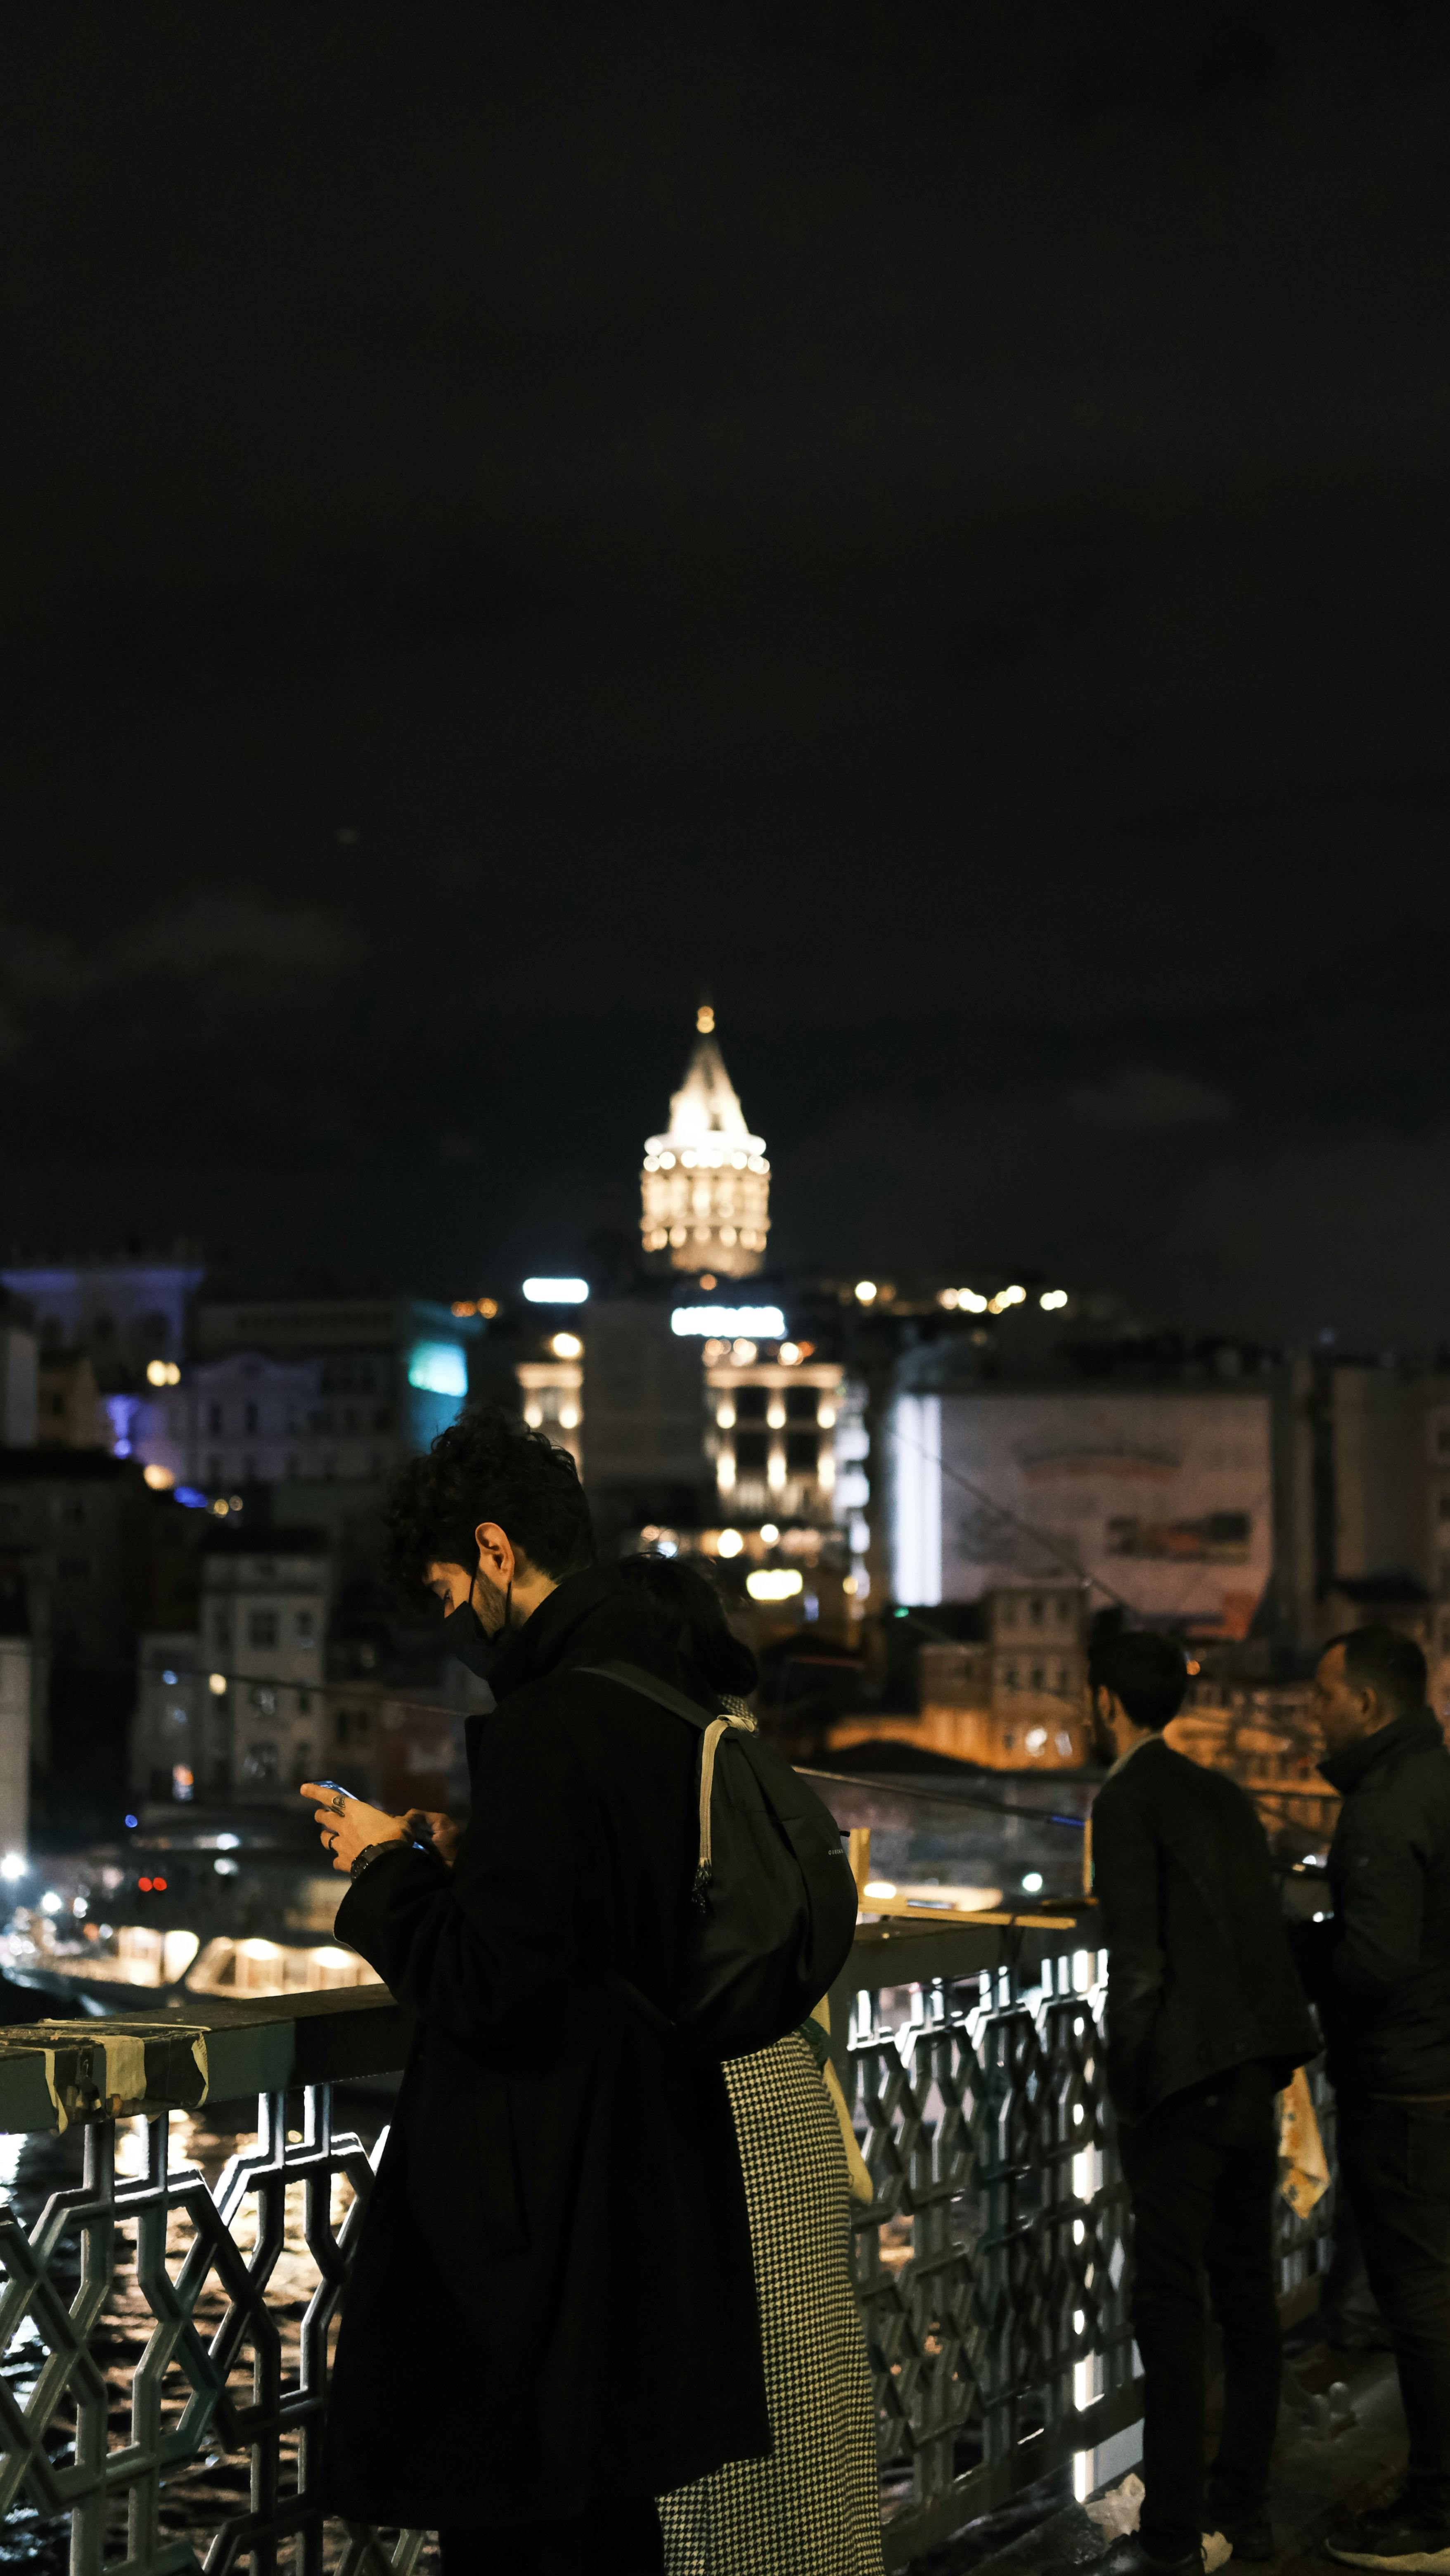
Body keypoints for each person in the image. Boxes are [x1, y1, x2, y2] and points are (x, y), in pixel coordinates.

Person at [301, 1407, 769, 2576]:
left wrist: (384, 1870)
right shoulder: (666, 1692)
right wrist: (474, 1861)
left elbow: (492, 1986)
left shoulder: (551, 1722)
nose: (451, 1620)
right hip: (645, 2183)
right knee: (610, 2517)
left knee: (527, 2526)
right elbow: (590, 1914)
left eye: (449, 1590)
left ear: (498, 1552)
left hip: (543, 2212)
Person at [610, 1550, 884, 2576]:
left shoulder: (664, 1760)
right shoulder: (749, 1754)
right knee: (805, 2414)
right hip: (790, 2102)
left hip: (717, 2118)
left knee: (721, 2447)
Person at [1088, 1627, 1317, 2576]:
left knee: (1171, 2306)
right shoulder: (1221, 1794)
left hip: (1180, 2083)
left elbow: (1137, 1963)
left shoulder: (1128, 1797)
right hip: (1251, 2070)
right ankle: (1244, 2509)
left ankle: (1174, 2529)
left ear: (1105, 1702)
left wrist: (1129, 2085)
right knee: (1247, 2296)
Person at [1297, 1626, 1450, 2574]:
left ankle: (1436, 2510)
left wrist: (1300, 1952)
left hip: (1407, 2082)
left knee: (1421, 2299)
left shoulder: (1384, 1806)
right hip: (1438, 2069)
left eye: (1320, 1696)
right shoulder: (1433, 1777)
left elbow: (1378, 1961)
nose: (1311, 1712)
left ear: (1364, 1703)